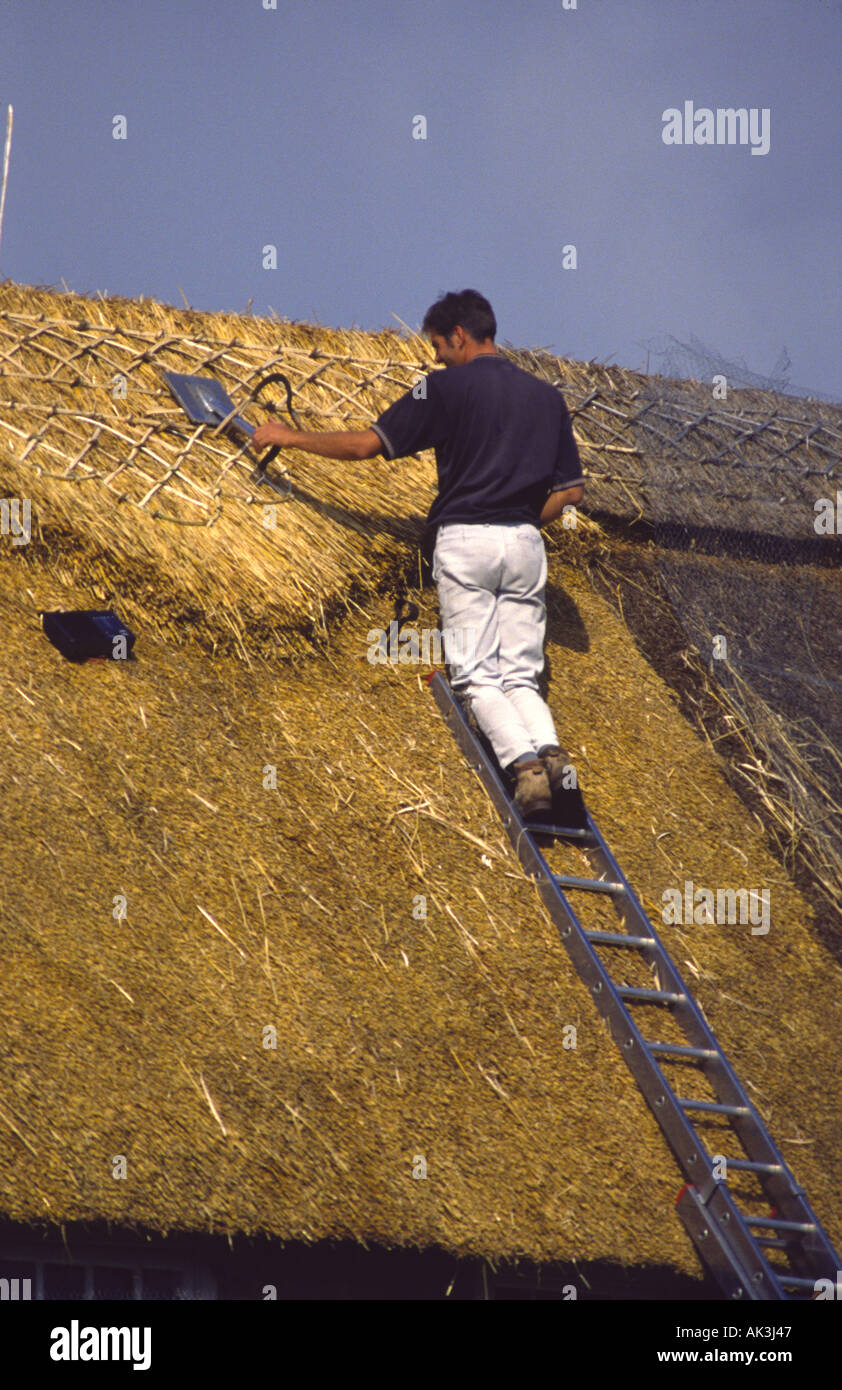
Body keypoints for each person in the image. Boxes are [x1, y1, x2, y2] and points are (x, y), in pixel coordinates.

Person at [252, 289, 585, 817]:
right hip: (525, 544)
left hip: (466, 540)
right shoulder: (548, 397)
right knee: (521, 676)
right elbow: (570, 494)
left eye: (437, 345)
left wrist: (288, 437)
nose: (434, 357)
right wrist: (517, 517)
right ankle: (553, 755)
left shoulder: (443, 388)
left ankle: (527, 771)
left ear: (458, 335)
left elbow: (367, 445)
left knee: (476, 677)